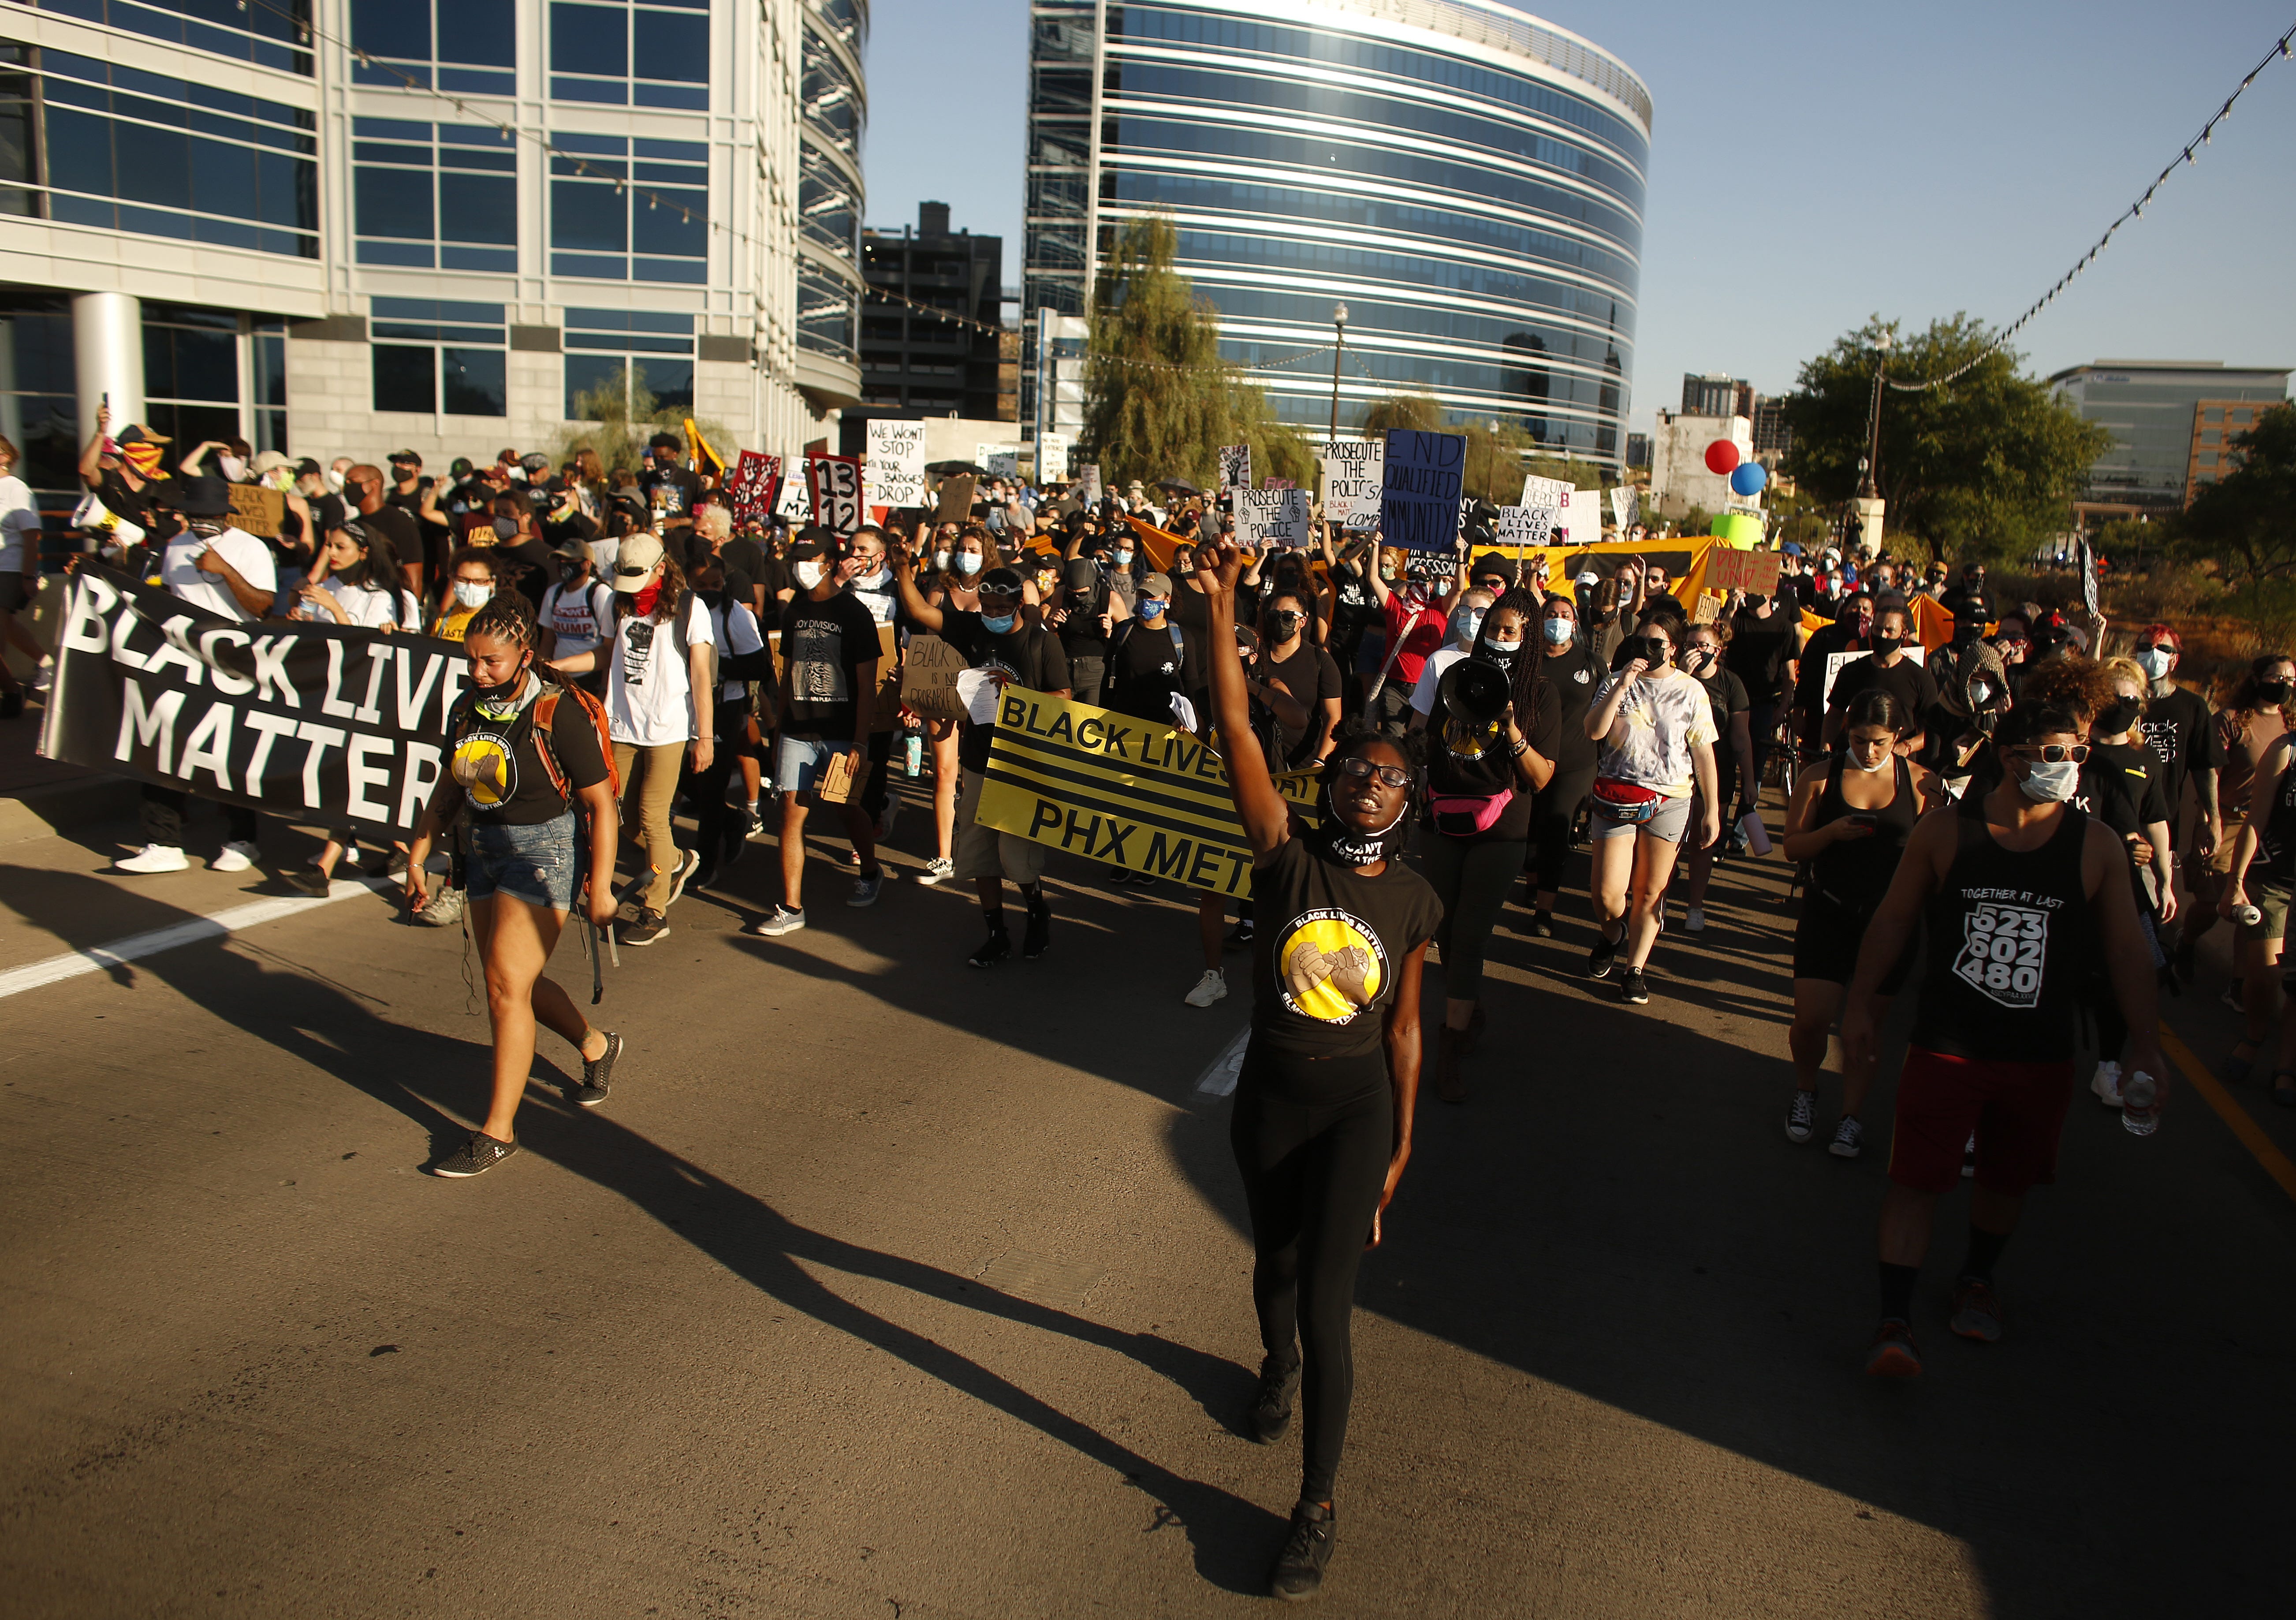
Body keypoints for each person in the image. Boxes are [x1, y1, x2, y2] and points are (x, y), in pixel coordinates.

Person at [1194, 536, 1440, 1602]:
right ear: (1331, 783)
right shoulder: (1285, 855)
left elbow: (1405, 1031)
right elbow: (1238, 723)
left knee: (1330, 1304)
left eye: (1390, 780)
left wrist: (1405, 1139)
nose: (1370, 786)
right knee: (1277, 1273)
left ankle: (1316, 1504)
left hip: (1355, 1110)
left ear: (1409, 803)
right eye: (1356, 772)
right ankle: (1274, 1365)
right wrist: (1222, 605)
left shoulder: (1420, 905)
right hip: (1270, 1105)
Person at [1849, 700, 2166, 1376]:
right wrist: (1862, 1009)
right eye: (2053, 755)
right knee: (1916, 1179)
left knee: (2006, 1177)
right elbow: (1893, 920)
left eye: (2077, 755)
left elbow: (2127, 954)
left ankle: (1978, 1277)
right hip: (1947, 1043)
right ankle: (1894, 1320)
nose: (2068, 768)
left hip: (2040, 1054)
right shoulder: (1945, 831)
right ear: (2011, 755)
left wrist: (2145, 1043)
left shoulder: (2097, 846)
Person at [404, 592, 623, 1178]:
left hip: (544, 852)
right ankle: (597, 1044)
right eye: (471, 660)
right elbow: (453, 784)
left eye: (491, 662)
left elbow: (601, 805)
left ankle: (498, 1130)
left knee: (505, 985)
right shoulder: (466, 707)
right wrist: (420, 847)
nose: (478, 672)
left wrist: (600, 885)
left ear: (525, 655)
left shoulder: (558, 710)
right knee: (514, 982)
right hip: (482, 850)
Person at [890, 554, 1070, 966]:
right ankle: (997, 933)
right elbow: (920, 611)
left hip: (1021, 765)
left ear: (1019, 605)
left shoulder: (1041, 643)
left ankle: (1037, 907)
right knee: (976, 853)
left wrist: (1016, 699)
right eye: (987, 609)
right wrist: (902, 570)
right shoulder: (972, 630)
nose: (992, 616)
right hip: (977, 761)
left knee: (1015, 858)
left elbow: (1064, 696)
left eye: (1001, 610)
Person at [1415, 592, 1557, 1100]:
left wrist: (1512, 725)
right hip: (1442, 819)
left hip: (1500, 829)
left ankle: (1449, 1048)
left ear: (1529, 640)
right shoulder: (1456, 677)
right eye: (1493, 629)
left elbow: (1540, 779)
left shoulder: (1541, 692)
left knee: (1470, 934)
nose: (1499, 638)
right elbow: (1427, 741)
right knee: (1447, 932)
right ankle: (1468, 1010)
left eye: (1511, 632)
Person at [1779, 689, 1933, 1156]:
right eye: (1861, 739)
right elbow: (1793, 846)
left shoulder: (1922, 782)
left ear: (1898, 739)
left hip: (1888, 924)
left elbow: (1931, 853)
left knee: (1865, 1029)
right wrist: (1831, 833)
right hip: (1828, 909)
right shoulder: (1820, 777)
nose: (1868, 751)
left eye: (1880, 742)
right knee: (1812, 1019)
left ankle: (1852, 1117)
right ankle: (1806, 1090)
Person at [548, 533, 714, 947]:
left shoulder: (691, 608)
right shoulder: (617, 603)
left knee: (653, 816)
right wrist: (557, 666)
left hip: (668, 728)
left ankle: (654, 909)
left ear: (662, 568)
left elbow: (700, 676)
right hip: (621, 725)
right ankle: (674, 862)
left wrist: (704, 736)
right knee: (614, 814)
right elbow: (605, 654)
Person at [108, 476, 274, 875]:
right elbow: (165, 599)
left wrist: (226, 571)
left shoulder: (251, 548)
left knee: (228, 753)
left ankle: (242, 840)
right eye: (195, 515)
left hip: (231, 664)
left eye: (209, 516)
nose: (201, 522)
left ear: (224, 515)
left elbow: (264, 606)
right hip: (179, 662)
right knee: (160, 742)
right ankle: (163, 841)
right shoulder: (176, 545)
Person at [750, 533, 886, 937]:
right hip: (797, 731)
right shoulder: (794, 610)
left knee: (845, 807)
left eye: (809, 558)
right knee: (791, 812)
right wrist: (779, 731)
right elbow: (787, 668)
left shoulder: (854, 612)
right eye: (796, 558)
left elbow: (867, 684)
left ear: (829, 561)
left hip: (842, 733)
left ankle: (871, 869)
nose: (801, 565)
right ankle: (792, 906)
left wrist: (861, 741)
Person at [1583, 616, 1721, 1006]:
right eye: (1641, 640)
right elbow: (1593, 730)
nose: (1646, 648)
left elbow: (1704, 753)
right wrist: (1623, 684)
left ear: (1673, 648)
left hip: (1670, 798)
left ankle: (1635, 970)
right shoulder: (1616, 681)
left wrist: (1711, 810)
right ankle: (1613, 935)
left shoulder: (1691, 692)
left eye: (1656, 642)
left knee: (1649, 891)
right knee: (1607, 894)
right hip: (1617, 794)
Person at [2078, 658, 2177, 1107]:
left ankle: (2109, 1066)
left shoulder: (2145, 759)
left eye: (2130, 697)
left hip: (2122, 884)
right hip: (2069, 879)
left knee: (2130, 971)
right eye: (2112, 696)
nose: (2121, 705)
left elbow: (2155, 820)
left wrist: (2165, 880)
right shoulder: (2073, 749)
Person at [2214, 655, 2296, 1089]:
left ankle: (2287, 1062)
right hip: (2277, 879)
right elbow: (2257, 820)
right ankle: (2254, 1036)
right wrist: (2236, 883)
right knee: (2265, 975)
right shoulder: (2287, 750)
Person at [1522, 588, 1603, 936]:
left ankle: (1544, 910)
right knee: (1529, 827)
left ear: (1575, 623)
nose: (1558, 620)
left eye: (1565, 615)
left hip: (1575, 763)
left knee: (1555, 830)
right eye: (1551, 614)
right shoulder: (1528, 659)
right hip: (1530, 758)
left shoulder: (1592, 662)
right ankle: (1532, 876)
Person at [1677, 621, 1756, 931]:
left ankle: (1695, 905)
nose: (1696, 652)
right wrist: (1682, 674)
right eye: (1690, 645)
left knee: (1703, 842)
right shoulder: (1676, 677)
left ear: (1717, 651)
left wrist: (1749, 779)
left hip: (1715, 772)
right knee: (1668, 840)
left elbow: (1741, 736)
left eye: (1703, 646)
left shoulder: (1731, 683)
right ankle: (1658, 899)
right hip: (1676, 771)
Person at [0, 433, 47, 715]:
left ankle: (12, 692)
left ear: (5, 456)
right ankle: (44, 668)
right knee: (8, 630)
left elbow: (32, 536)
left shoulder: (15, 488)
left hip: (9, 570)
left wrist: (28, 577)